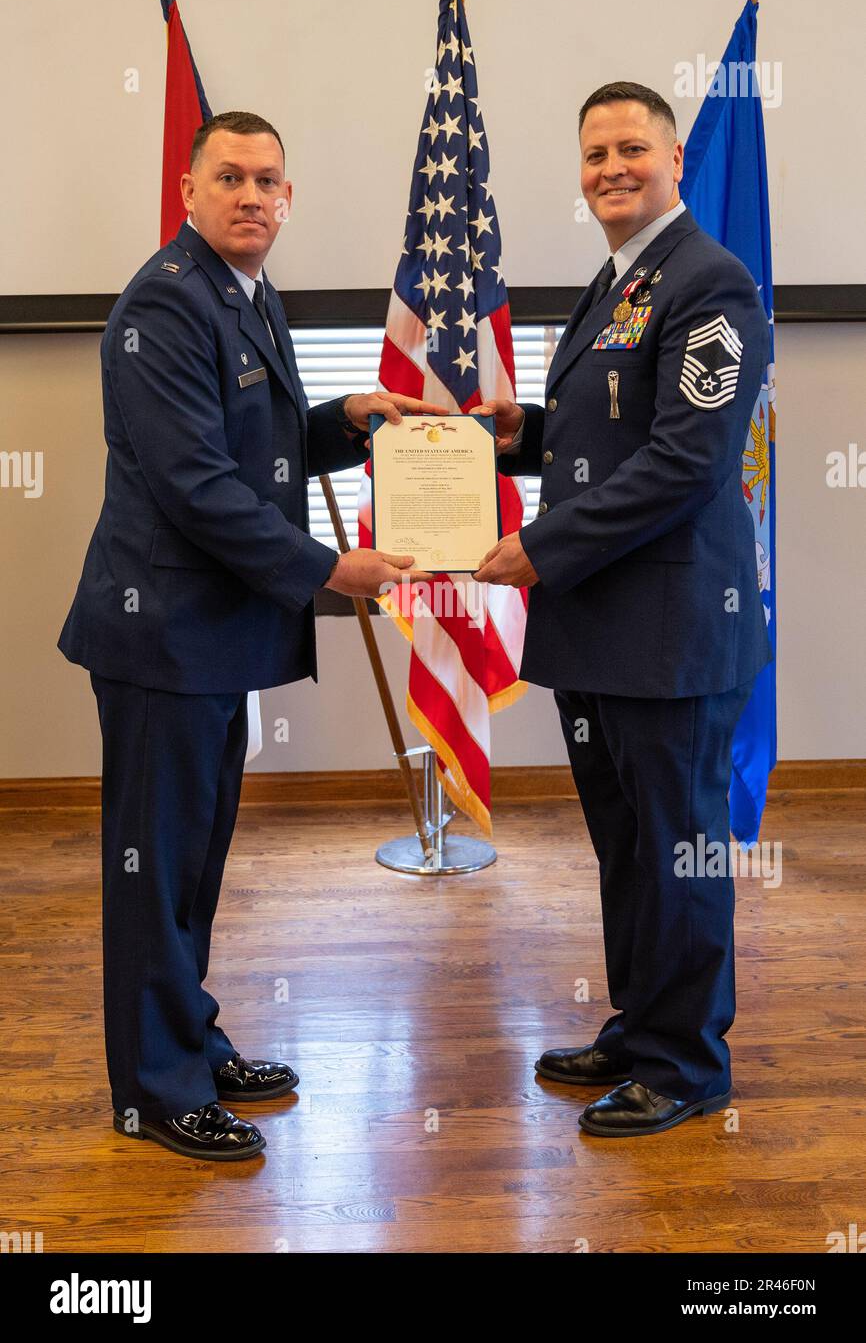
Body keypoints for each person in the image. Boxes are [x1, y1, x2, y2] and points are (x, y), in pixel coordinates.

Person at [58, 110, 438, 1161]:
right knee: (155, 868)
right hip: (161, 639)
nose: (251, 196)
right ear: (188, 191)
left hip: (210, 637)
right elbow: (197, 486)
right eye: (229, 177)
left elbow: (255, 447)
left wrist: (347, 416)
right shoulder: (164, 303)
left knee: (192, 862)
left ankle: (189, 1039)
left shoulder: (245, 292)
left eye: (268, 180)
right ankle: (155, 1091)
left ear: (287, 198)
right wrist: (328, 570)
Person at [474, 82, 771, 1137]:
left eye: (631, 148)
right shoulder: (621, 279)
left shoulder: (709, 281)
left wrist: (540, 547)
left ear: (674, 158)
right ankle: (641, 1025)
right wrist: (519, 434)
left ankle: (684, 1063)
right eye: (595, 152)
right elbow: (607, 431)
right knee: (627, 844)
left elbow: (684, 463)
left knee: (678, 847)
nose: (611, 168)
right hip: (602, 629)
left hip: (671, 632)